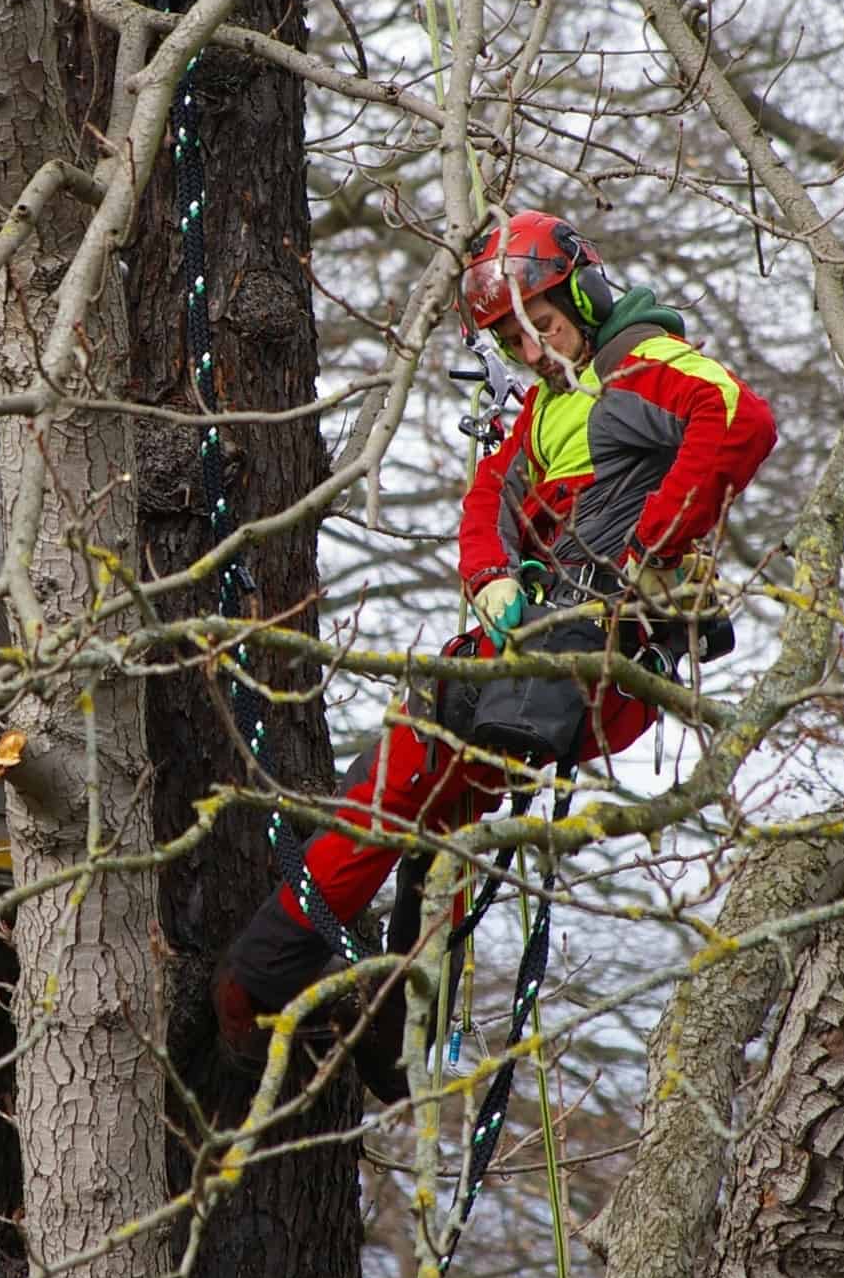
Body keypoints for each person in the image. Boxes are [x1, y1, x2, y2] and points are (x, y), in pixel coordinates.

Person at [212, 208, 778, 1097]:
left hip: (586, 658)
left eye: (540, 327)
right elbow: (489, 499)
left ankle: (260, 980)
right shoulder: (549, 407)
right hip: (531, 657)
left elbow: (741, 419)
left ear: (582, 297)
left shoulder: (645, 366)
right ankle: (382, 1020)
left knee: (401, 780)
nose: (529, 349)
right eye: (512, 340)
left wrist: (651, 548)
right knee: (415, 804)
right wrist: (488, 578)